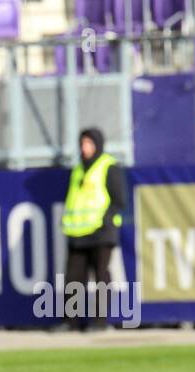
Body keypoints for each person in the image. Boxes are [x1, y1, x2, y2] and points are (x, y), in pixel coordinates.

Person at [61, 127, 125, 332]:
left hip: (101, 232)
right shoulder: (78, 169)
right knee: (73, 278)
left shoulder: (108, 166)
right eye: (82, 143)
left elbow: (119, 199)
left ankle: (99, 322)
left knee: (101, 276)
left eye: (88, 143)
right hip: (78, 232)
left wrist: (105, 219)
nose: (84, 147)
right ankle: (71, 322)